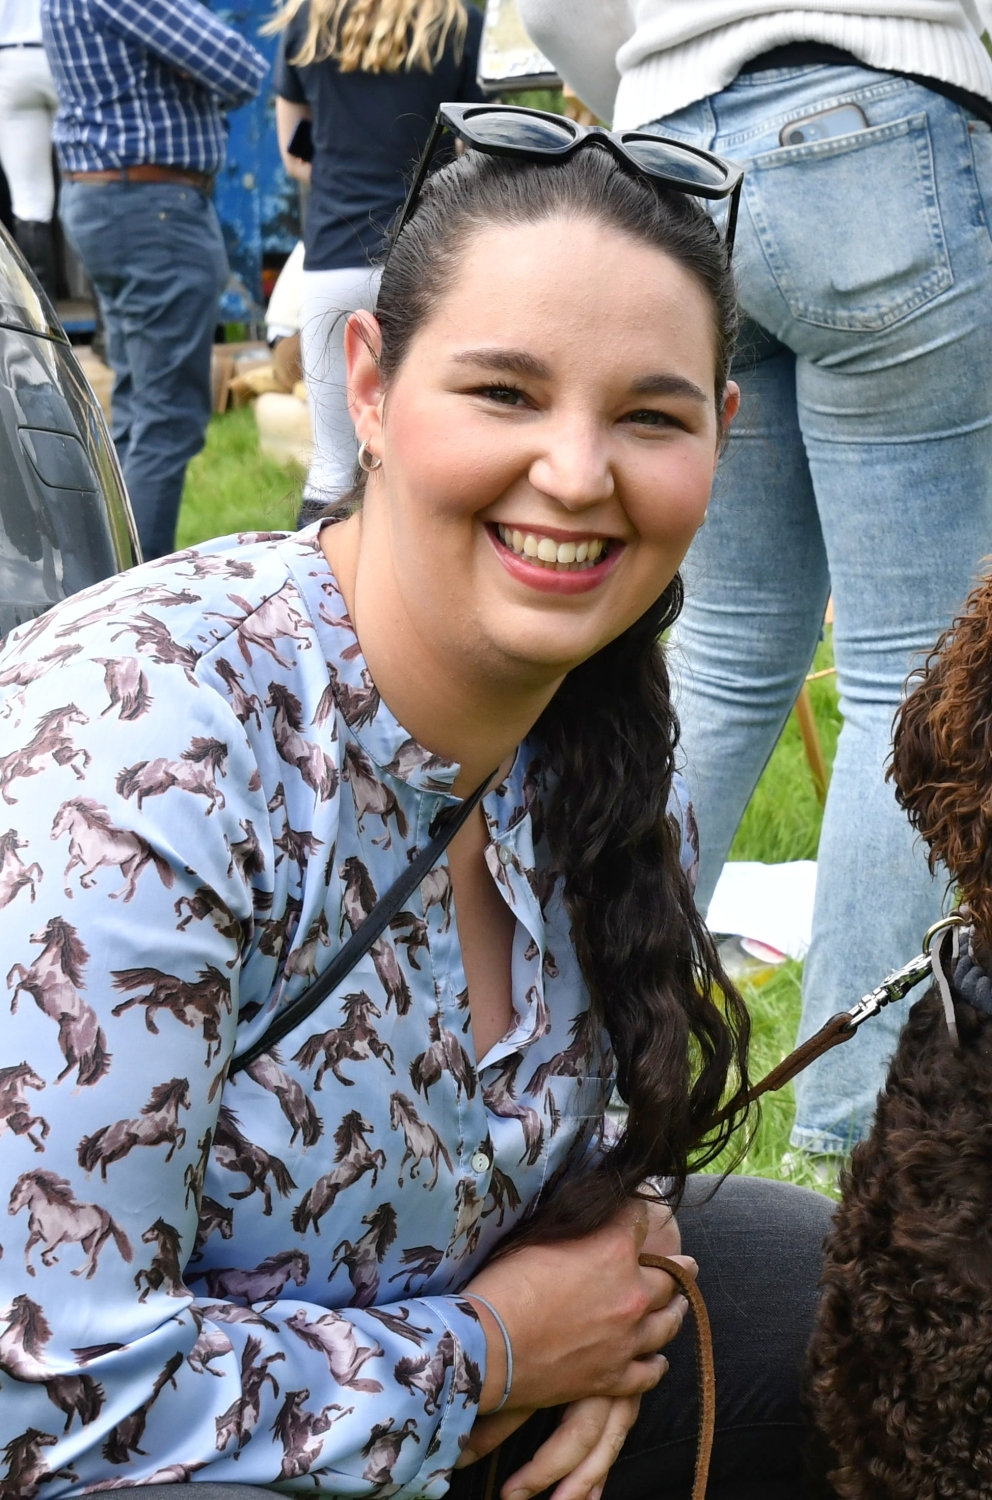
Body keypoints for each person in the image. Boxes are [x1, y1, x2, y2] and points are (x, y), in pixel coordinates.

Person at [0, 118, 834, 1500]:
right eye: (505, 393)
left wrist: (617, 1301)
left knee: (802, 1287)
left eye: (649, 415)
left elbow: (592, 1146)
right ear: (371, 387)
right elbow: (33, 1410)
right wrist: (493, 1359)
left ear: (719, 439)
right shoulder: (147, 747)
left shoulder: (606, 752)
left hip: (403, 1419)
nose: (578, 473)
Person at [520, 0, 992, 1163]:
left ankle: (555, 1069)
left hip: (681, 168)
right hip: (877, 133)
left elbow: (555, 7)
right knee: (912, 675)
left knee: (718, 658)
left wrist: (650, 99)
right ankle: (856, 1125)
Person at [40, 0, 265, 562]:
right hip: (151, 206)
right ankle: (132, 595)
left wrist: (187, 67)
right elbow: (240, 67)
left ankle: (100, 571)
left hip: (118, 199)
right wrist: (190, 70)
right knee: (167, 419)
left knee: (141, 407)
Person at [269, 0, 485, 516]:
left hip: (332, 258)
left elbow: (294, 156)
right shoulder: (459, 23)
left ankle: (319, 594)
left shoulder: (307, 20)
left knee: (330, 466)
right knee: (428, 458)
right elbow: (473, 150)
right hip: (425, 259)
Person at [0, 0, 59, 294]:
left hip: (10, 60)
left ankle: (44, 329)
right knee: (90, 181)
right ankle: (107, 327)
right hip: (66, 56)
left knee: (29, 199)